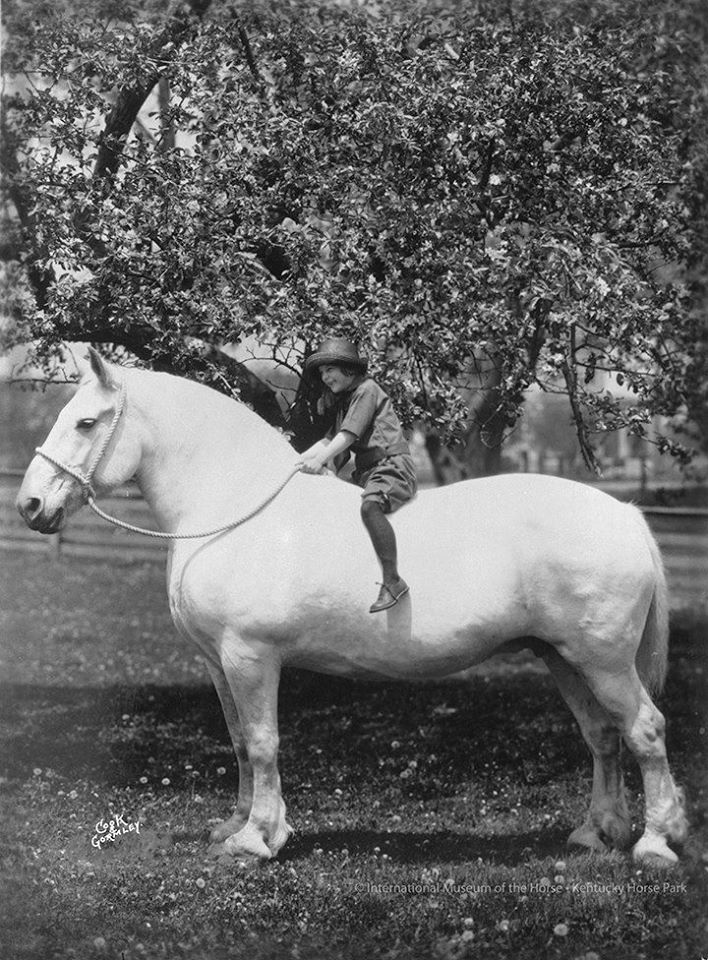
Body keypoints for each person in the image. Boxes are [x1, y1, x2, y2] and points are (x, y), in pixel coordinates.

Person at [299, 337, 417, 613]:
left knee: (370, 506)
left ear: (348, 369)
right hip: (369, 471)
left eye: (329, 369)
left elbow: (347, 437)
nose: (325, 377)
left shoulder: (367, 390)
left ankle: (393, 582)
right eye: (322, 372)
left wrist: (320, 462)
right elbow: (328, 442)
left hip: (391, 466)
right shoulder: (345, 402)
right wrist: (296, 462)